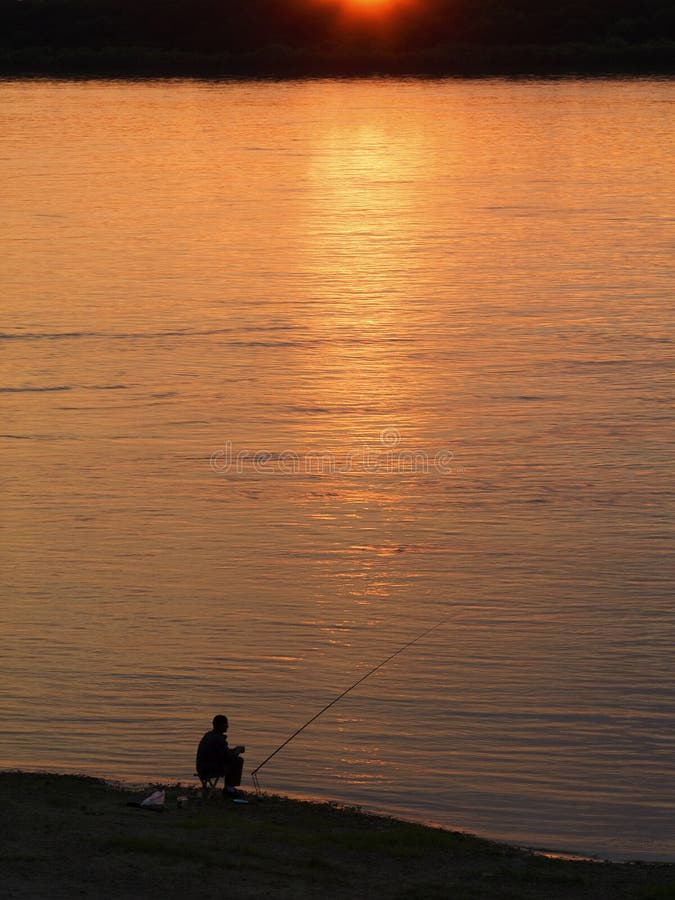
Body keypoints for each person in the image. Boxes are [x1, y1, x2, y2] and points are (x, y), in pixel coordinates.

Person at [195, 714, 245, 795]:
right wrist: (237, 752)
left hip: (201, 767)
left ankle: (229, 788)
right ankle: (229, 789)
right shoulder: (218, 739)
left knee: (233, 760)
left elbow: (222, 753)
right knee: (238, 761)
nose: (227, 726)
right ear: (220, 725)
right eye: (226, 724)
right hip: (208, 769)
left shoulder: (209, 735)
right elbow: (227, 757)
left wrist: (234, 750)